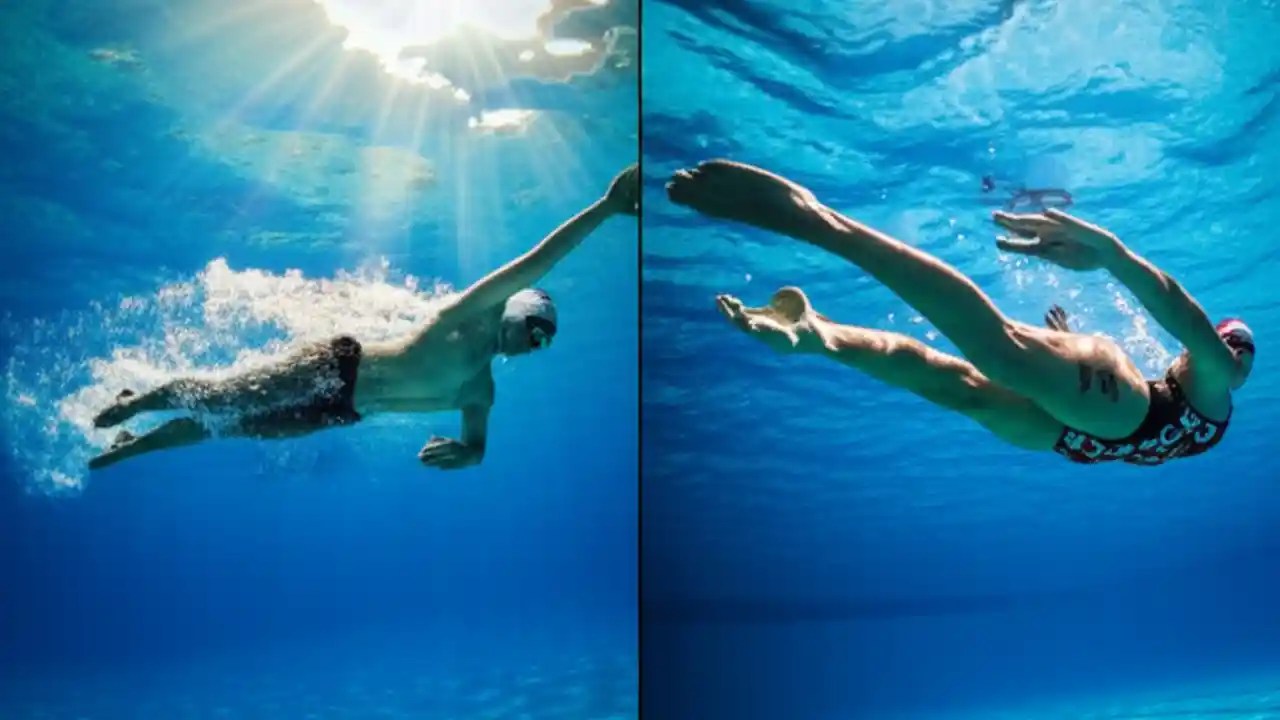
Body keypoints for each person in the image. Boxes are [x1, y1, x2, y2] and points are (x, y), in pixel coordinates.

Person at [667, 160, 1254, 466]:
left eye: (1241, 348)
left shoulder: (1214, 381)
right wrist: (1112, 258)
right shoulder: (1211, 378)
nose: (1235, 352)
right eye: (1234, 342)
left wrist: (1107, 272)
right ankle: (818, 228)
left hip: (1081, 435)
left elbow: (1189, 325)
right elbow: (1181, 312)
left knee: (966, 382)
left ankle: (820, 332)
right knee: (986, 359)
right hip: (1100, 426)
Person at [88, 164, 640, 471]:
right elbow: (540, 261)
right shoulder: (470, 316)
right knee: (224, 398)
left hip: (342, 411)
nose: (535, 346)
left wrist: (465, 455)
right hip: (337, 366)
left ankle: (135, 446)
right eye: (536, 331)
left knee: (225, 427)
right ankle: (136, 403)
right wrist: (607, 208)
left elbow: (478, 448)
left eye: (545, 345)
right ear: (519, 312)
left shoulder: (481, 391)